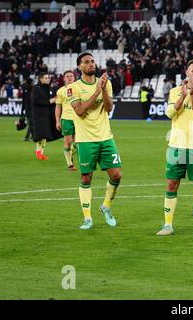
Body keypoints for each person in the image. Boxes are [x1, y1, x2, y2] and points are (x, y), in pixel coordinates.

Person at [156, 59, 193, 236]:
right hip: (176, 146)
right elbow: (170, 113)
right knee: (172, 184)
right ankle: (168, 225)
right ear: (187, 72)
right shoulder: (174, 91)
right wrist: (183, 95)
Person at [69, 52, 122, 230]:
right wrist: (97, 92)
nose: (91, 64)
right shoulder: (74, 87)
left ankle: (106, 206)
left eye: (92, 61)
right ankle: (87, 218)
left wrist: (105, 89)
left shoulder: (105, 83)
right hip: (85, 140)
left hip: (106, 137)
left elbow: (108, 108)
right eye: (86, 62)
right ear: (79, 66)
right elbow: (79, 111)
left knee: (116, 175)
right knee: (86, 177)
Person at [32, 73, 61, 160]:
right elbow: (37, 101)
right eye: (46, 78)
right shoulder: (36, 89)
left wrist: (55, 100)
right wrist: (50, 101)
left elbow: (51, 100)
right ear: (41, 79)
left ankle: (40, 152)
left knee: (44, 136)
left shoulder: (48, 88)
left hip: (46, 115)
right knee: (42, 135)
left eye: (48, 78)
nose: (48, 79)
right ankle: (38, 152)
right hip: (39, 116)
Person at [55, 70, 77, 170]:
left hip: (79, 119)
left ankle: (70, 154)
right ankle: (69, 163)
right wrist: (57, 121)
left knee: (78, 142)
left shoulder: (79, 89)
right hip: (66, 119)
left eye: (71, 76)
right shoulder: (60, 91)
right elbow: (58, 107)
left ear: (74, 77)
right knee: (68, 142)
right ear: (64, 78)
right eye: (67, 76)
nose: (69, 78)